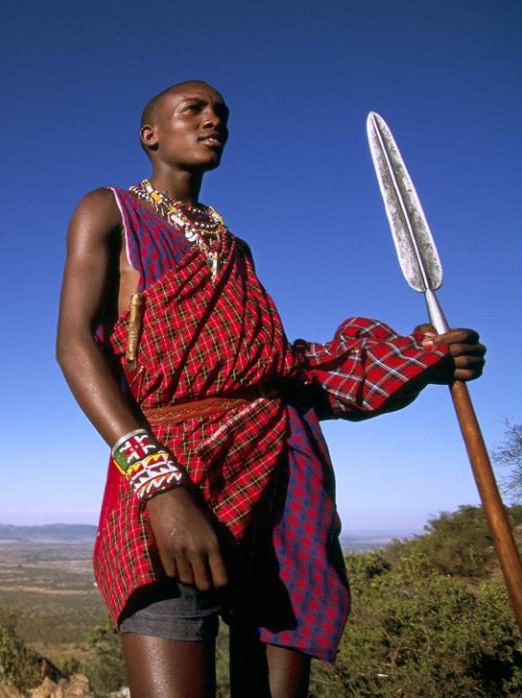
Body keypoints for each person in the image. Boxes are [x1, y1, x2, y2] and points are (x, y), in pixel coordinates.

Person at [55, 80, 486, 698]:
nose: (214, 121)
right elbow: (75, 346)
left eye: (222, 113)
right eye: (194, 111)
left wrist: (420, 358)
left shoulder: (236, 250)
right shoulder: (109, 211)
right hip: (170, 475)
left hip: (281, 482)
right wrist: (160, 486)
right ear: (151, 135)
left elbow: (279, 372)